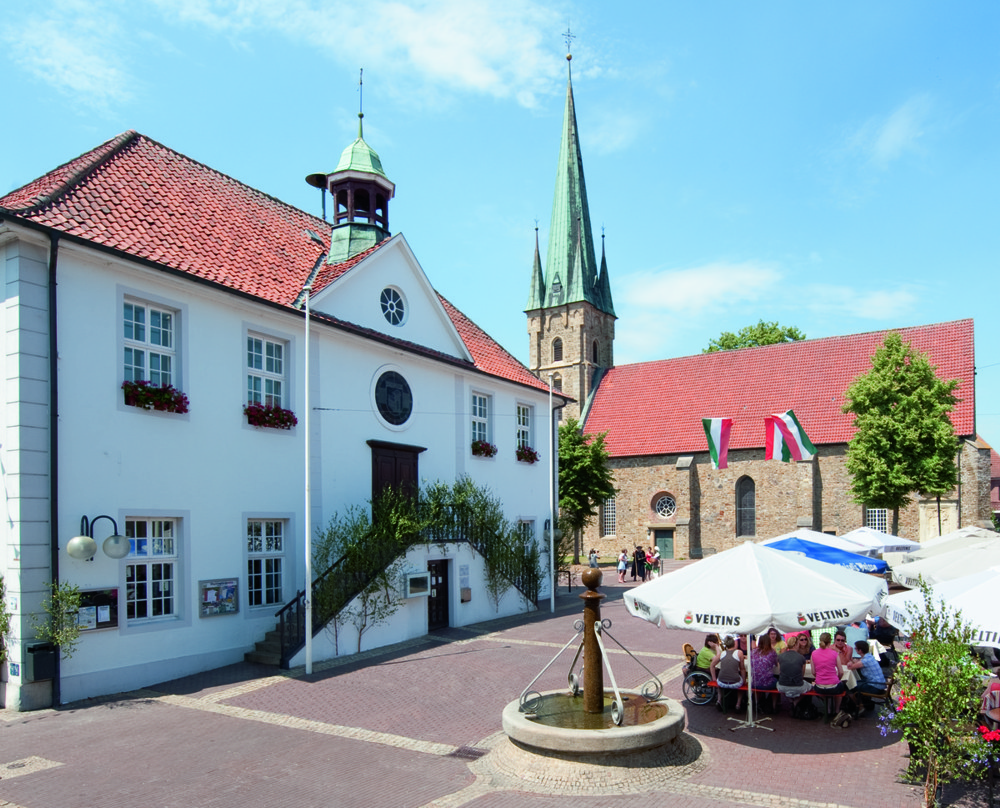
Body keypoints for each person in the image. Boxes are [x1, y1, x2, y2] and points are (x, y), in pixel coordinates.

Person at [811, 632, 847, 720]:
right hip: (833, 685)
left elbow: (813, 672)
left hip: (820, 686)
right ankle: (837, 710)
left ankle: (828, 708)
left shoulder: (814, 653)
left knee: (816, 688)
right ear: (830, 641)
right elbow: (841, 672)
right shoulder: (834, 654)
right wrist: (838, 679)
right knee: (841, 686)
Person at [846, 640, 886, 715]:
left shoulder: (864, 661)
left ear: (860, 650)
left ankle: (860, 707)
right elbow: (858, 661)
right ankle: (866, 703)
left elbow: (850, 668)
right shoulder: (869, 656)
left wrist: (850, 662)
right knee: (856, 683)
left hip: (875, 687)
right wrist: (854, 661)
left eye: (856, 648)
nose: (855, 649)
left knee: (850, 686)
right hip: (879, 684)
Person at [776, 634, 811, 714]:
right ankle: (795, 702)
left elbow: (780, 672)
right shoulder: (801, 657)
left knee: (780, 685)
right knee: (809, 686)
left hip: (783, 686)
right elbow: (802, 675)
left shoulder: (780, 656)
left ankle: (791, 701)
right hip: (798, 686)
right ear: (796, 645)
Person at [711, 636, 746, 712]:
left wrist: (714, 678)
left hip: (722, 682)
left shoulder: (722, 654)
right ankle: (738, 704)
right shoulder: (739, 653)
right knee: (741, 683)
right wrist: (744, 680)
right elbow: (742, 669)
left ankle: (719, 700)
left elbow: (712, 665)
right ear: (734, 643)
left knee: (719, 679)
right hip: (735, 683)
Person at [751, 631, 779, 713]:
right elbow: (776, 664)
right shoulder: (772, 652)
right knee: (777, 681)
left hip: (754, 683)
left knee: (758, 678)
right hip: (767, 683)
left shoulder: (753, 652)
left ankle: (757, 703)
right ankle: (774, 705)